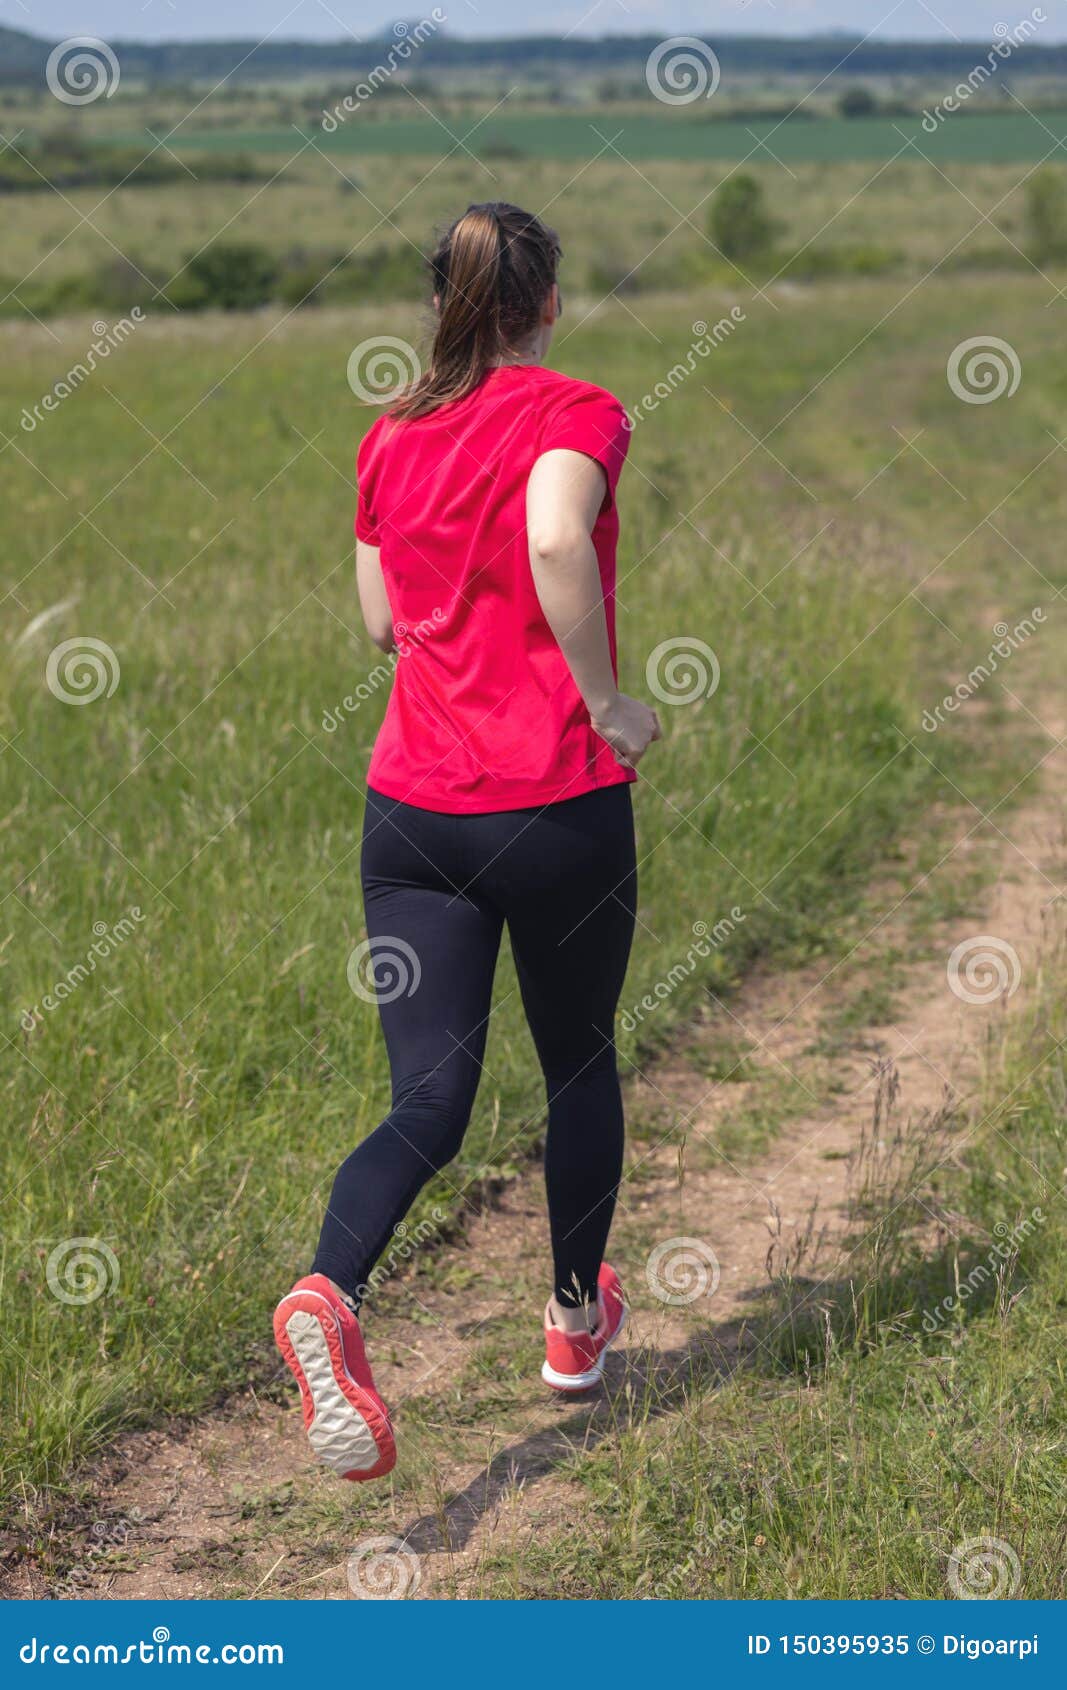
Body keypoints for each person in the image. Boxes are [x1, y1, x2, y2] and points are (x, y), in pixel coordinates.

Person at [273, 202, 660, 1481]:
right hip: (551, 801)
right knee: (576, 1066)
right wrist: (606, 699)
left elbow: (380, 622)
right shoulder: (576, 410)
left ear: (441, 300)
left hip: (411, 815)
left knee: (429, 1099)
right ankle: (567, 1324)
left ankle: (330, 1290)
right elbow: (556, 530)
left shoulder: (391, 433)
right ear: (545, 303)